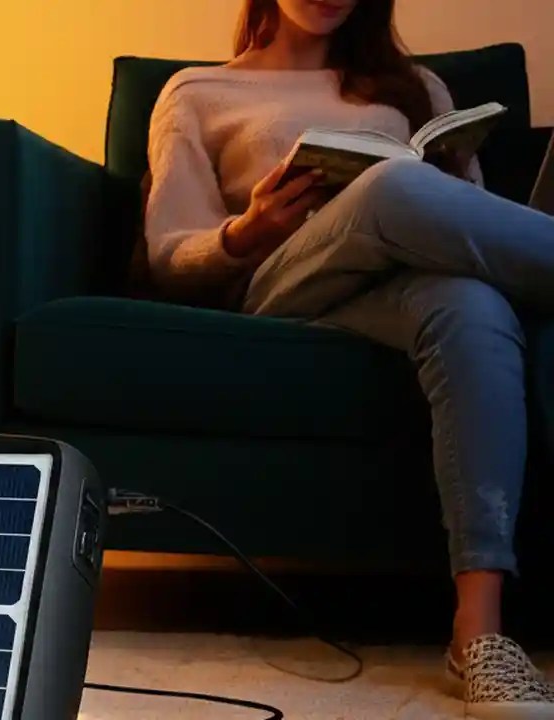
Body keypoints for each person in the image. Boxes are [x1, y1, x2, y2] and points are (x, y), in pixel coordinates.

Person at [144, 0, 554, 716]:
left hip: (397, 294)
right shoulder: (197, 93)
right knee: (392, 187)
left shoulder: (417, 89)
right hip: (281, 285)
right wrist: (247, 230)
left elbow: (476, 235)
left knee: (474, 308)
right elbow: (170, 256)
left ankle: (479, 631)